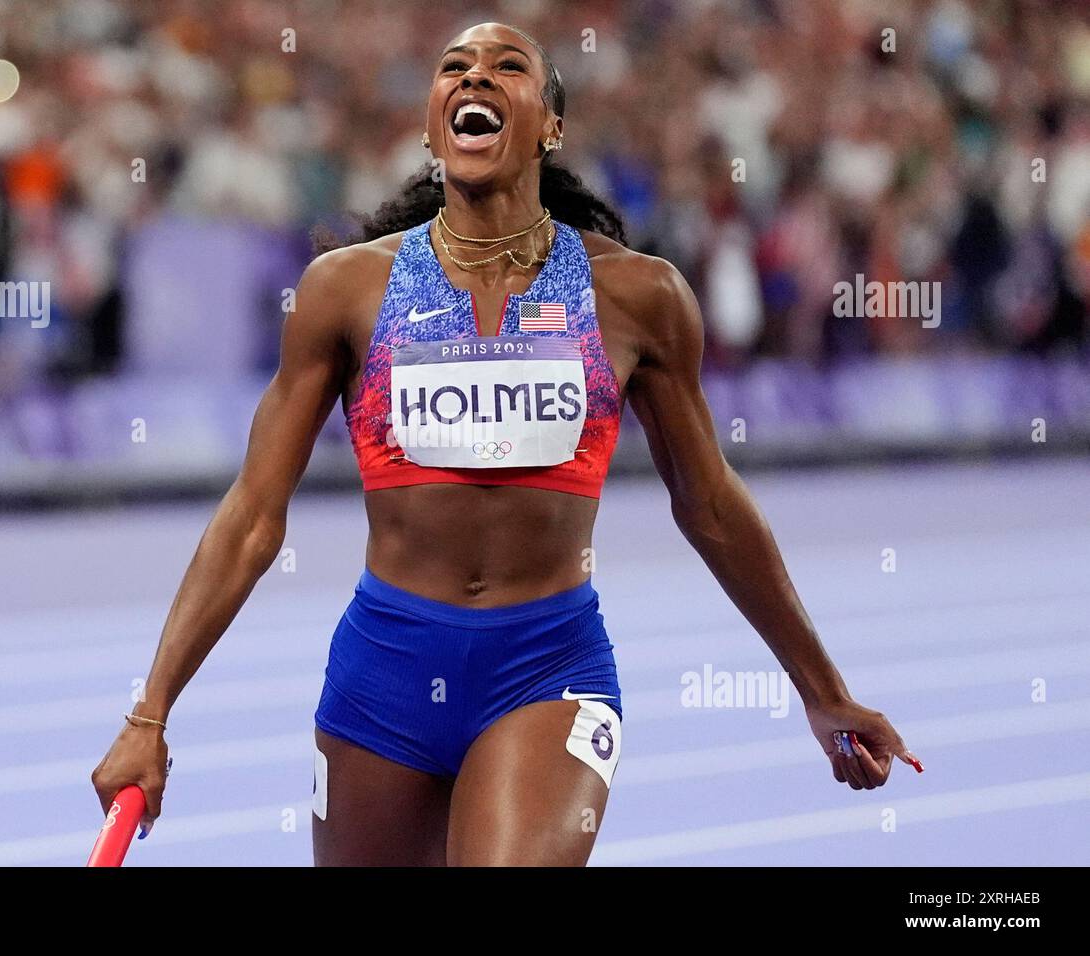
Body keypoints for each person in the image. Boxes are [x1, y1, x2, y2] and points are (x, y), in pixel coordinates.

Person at [91, 21, 920, 866]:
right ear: (430, 125)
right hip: (384, 672)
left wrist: (823, 692)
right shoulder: (344, 289)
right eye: (453, 68)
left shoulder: (637, 295)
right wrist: (149, 713)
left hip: (547, 668)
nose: (474, 77)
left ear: (550, 127)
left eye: (506, 67)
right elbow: (253, 517)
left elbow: (709, 507)